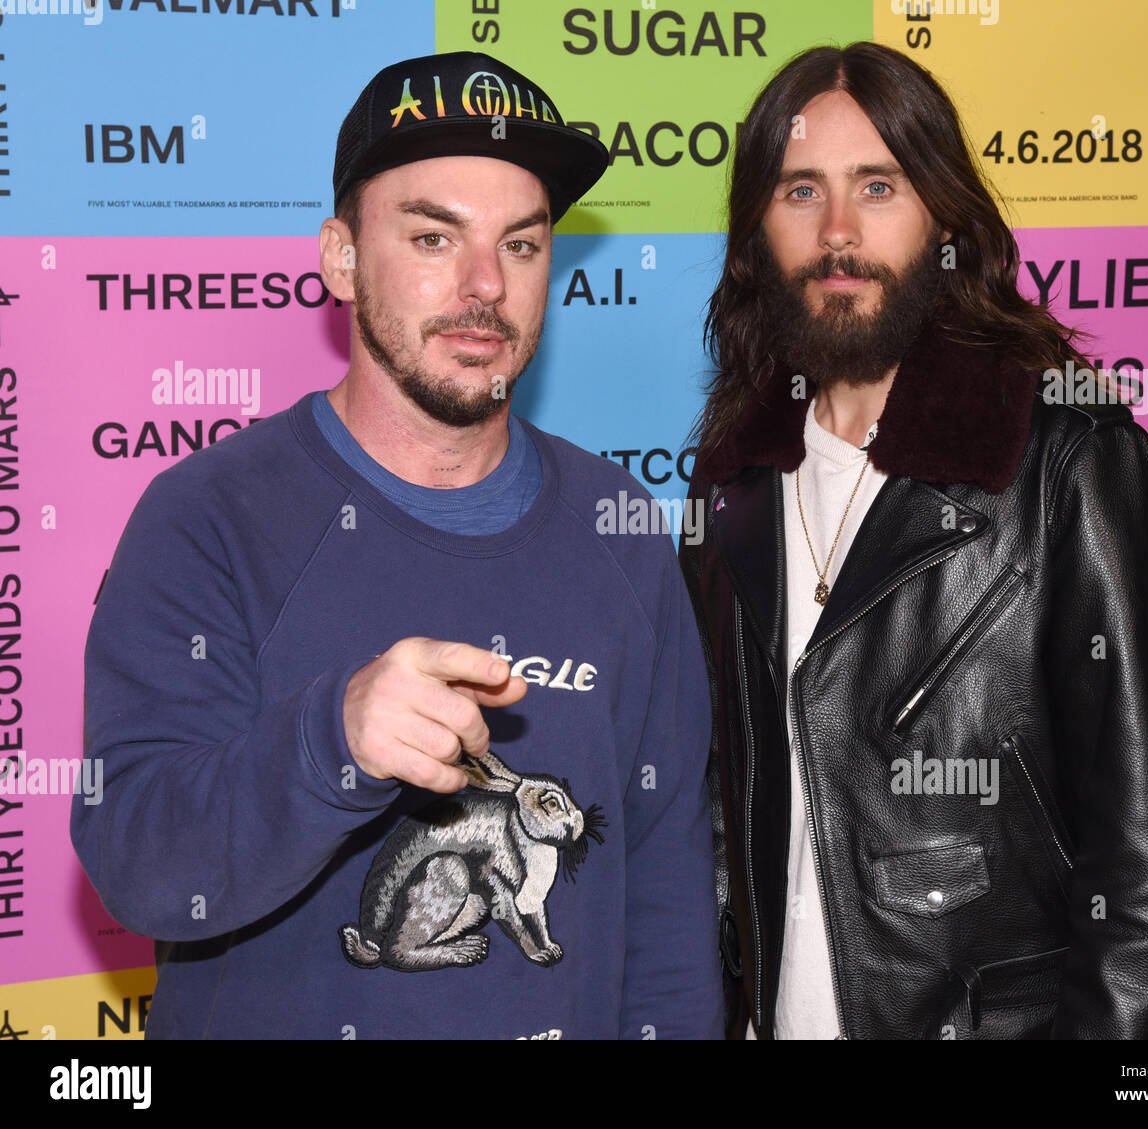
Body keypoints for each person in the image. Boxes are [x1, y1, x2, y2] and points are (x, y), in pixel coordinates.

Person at [73, 50, 722, 1040]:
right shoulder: (208, 515)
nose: (482, 286)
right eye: (432, 236)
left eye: (521, 245)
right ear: (340, 257)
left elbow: (667, 894)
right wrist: (330, 740)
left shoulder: (620, 527)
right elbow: (139, 866)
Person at [679, 41, 1148, 1040]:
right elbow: (717, 813)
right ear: (757, 231)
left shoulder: (1067, 462)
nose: (838, 232)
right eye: (801, 190)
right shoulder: (731, 487)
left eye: (876, 186)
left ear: (941, 217)